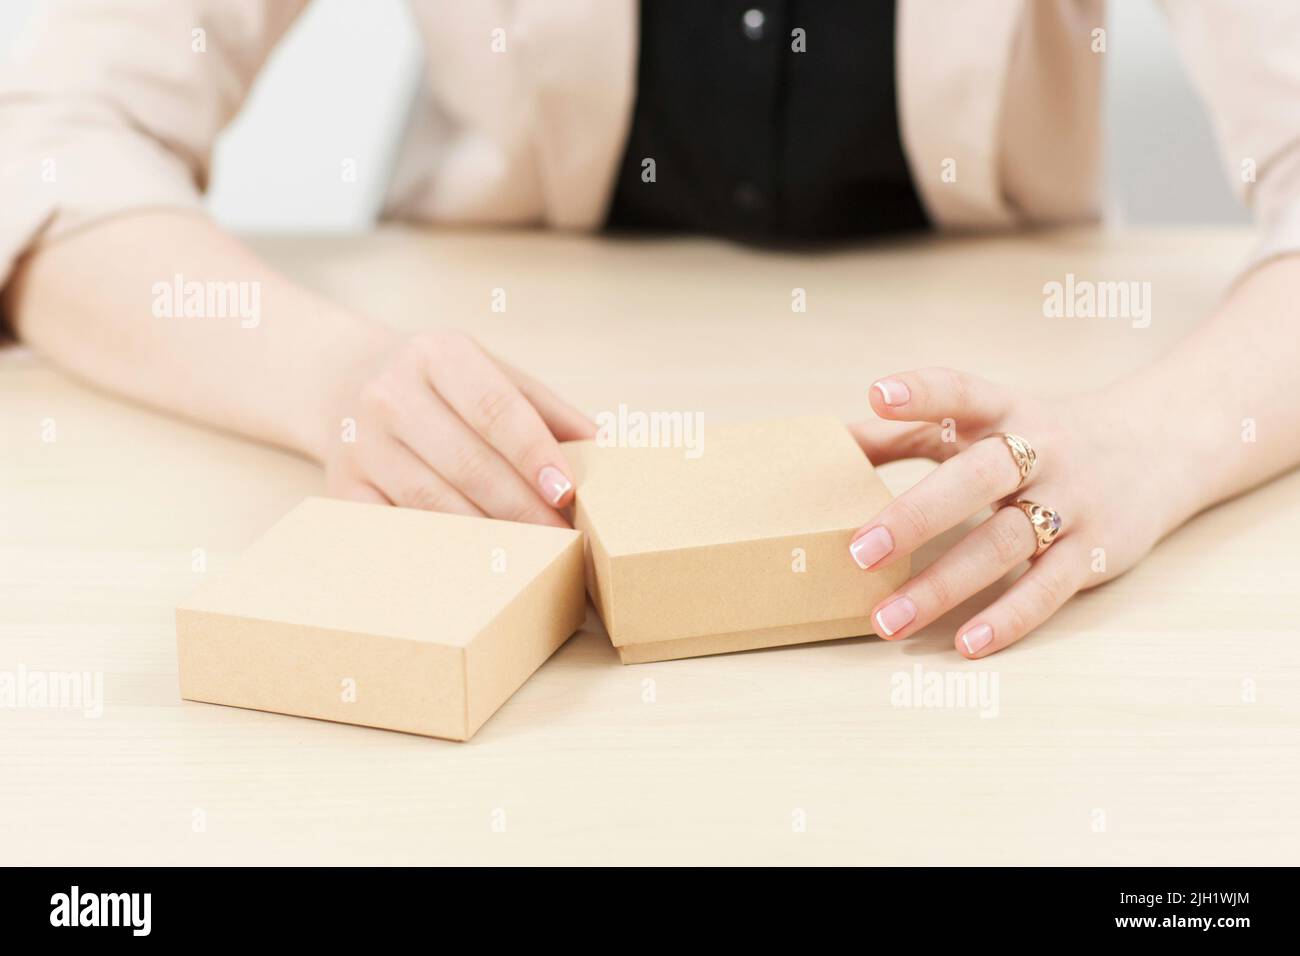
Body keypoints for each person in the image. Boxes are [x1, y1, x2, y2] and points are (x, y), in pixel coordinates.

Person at [3, 1, 1299, 660]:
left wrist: (1157, 439)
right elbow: (37, 139)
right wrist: (336, 377)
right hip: (510, 397)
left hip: (1005, 396)